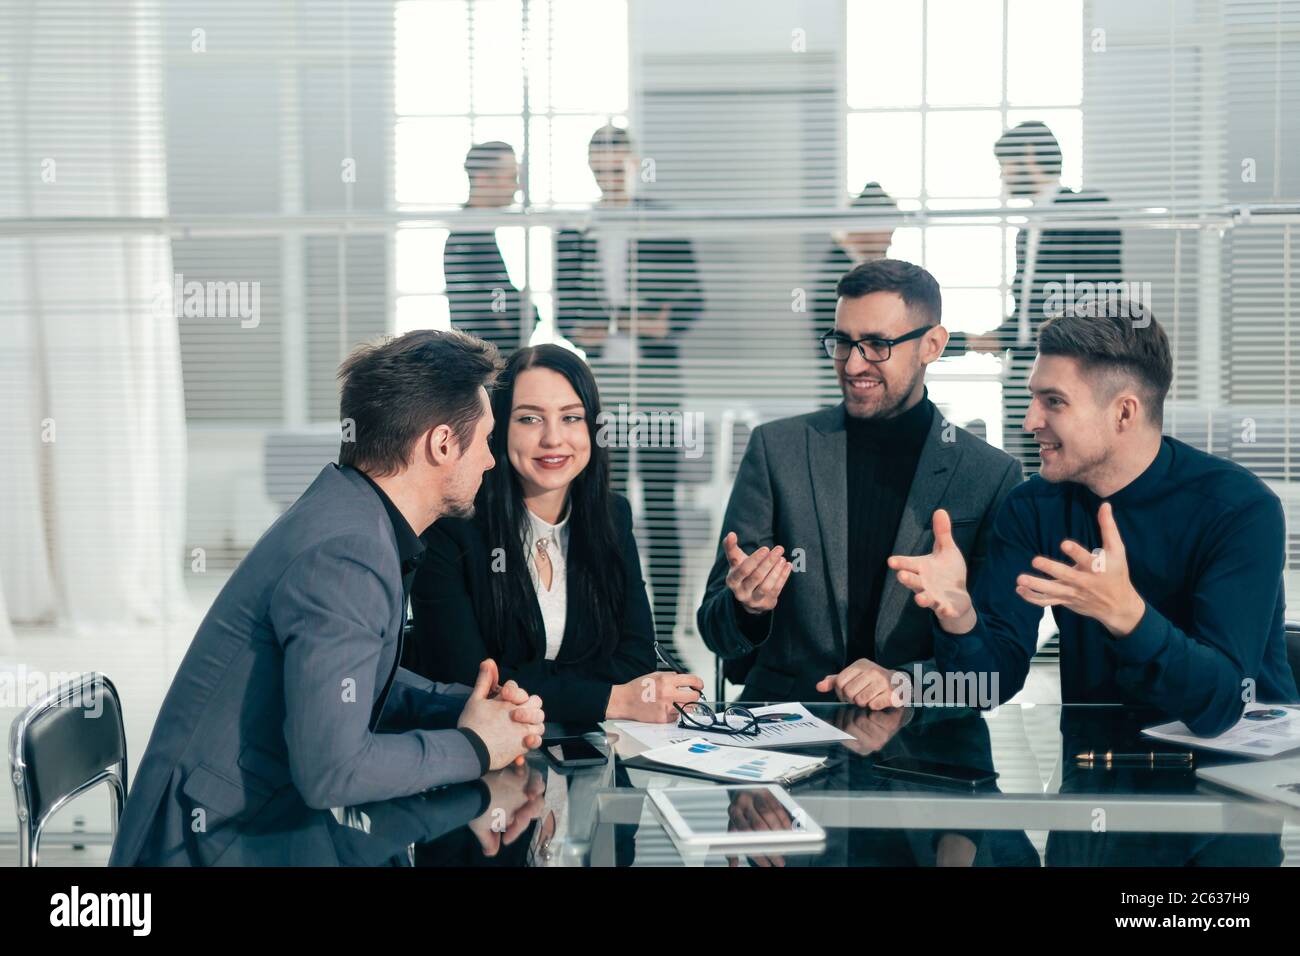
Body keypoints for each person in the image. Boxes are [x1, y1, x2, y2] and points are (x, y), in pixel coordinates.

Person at [110, 330, 545, 867]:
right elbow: (332, 773)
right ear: (440, 444)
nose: (490, 461)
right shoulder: (349, 552)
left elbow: (348, 677)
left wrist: (466, 709)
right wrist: (477, 747)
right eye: (484, 440)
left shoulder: (351, 513)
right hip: (213, 844)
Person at [889, 301, 1300, 736]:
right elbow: (992, 685)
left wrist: (1128, 615)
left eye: (1054, 402)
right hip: (1097, 771)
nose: (1030, 420)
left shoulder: (1240, 510)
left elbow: (1219, 706)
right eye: (1033, 397)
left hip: (1240, 772)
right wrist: (960, 616)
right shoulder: (1033, 507)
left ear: (1123, 412)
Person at [696, 259, 1022, 704]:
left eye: (876, 345)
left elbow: (997, 675)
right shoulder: (778, 450)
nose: (853, 365)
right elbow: (717, 633)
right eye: (843, 343)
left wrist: (906, 684)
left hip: (926, 752)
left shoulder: (988, 474)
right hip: (785, 734)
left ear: (931, 345)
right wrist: (746, 608)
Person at [406, 344, 705, 725]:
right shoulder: (451, 528)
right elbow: (467, 679)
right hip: (481, 751)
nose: (553, 439)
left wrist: (533, 682)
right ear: (498, 428)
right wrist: (613, 698)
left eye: (571, 418)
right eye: (529, 419)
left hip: (591, 749)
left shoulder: (612, 516)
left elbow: (636, 659)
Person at [555, 123, 704, 652]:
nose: (608, 174)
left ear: (634, 162)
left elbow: (691, 302)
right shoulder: (576, 228)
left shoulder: (662, 221)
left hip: (658, 383)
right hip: (603, 384)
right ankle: (606, 630)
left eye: (616, 164)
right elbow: (567, 315)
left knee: (660, 507)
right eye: (599, 166)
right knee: (602, 501)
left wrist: (622, 323)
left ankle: (662, 634)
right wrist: (632, 322)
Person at [945, 121, 1123, 473]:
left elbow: (1100, 302)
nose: (1002, 176)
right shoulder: (1027, 231)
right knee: (1031, 473)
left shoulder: (1087, 208)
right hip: (1023, 378)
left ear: (1028, 155)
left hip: (1068, 375)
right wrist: (979, 340)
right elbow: (1026, 318)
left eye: (1004, 164)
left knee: (1073, 471)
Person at [808, 182, 899, 405]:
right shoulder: (839, 270)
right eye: (887, 231)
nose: (889, 240)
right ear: (865, 224)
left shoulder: (846, 263)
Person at [445, 141, 535, 350]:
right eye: (512, 177)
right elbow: (497, 315)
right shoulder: (467, 239)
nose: (518, 186)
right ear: (484, 178)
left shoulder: (480, 233)